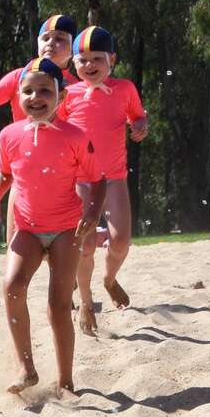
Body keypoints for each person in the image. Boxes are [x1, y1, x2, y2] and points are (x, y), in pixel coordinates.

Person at [0, 59, 104, 396]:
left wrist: (92, 214)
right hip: (27, 227)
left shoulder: (75, 137)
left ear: (61, 96)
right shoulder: (9, 134)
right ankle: (27, 368)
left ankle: (65, 380)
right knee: (11, 287)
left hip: (67, 229)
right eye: (28, 91)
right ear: (18, 96)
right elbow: (6, 172)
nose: (36, 97)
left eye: (45, 91)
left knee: (58, 304)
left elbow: (98, 180)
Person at [64, 27, 148, 336]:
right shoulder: (66, 94)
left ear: (111, 59)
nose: (89, 65)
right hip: (80, 181)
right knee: (84, 246)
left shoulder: (125, 89)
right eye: (82, 59)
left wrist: (140, 125)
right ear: (73, 63)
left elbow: (138, 116)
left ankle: (109, 280)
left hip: (114, 179)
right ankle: (86, 301)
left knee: (121, 240)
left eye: (97, 58)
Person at [0, 15, 81, 246]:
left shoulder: (75, 86)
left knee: (73, 252)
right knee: (17, 246)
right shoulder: (19, 78)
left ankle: (73, 277)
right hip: (22, 177)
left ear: (72, 50)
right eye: (46, 37)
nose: (52, 43)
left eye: (61, 39)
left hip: (64, 178)